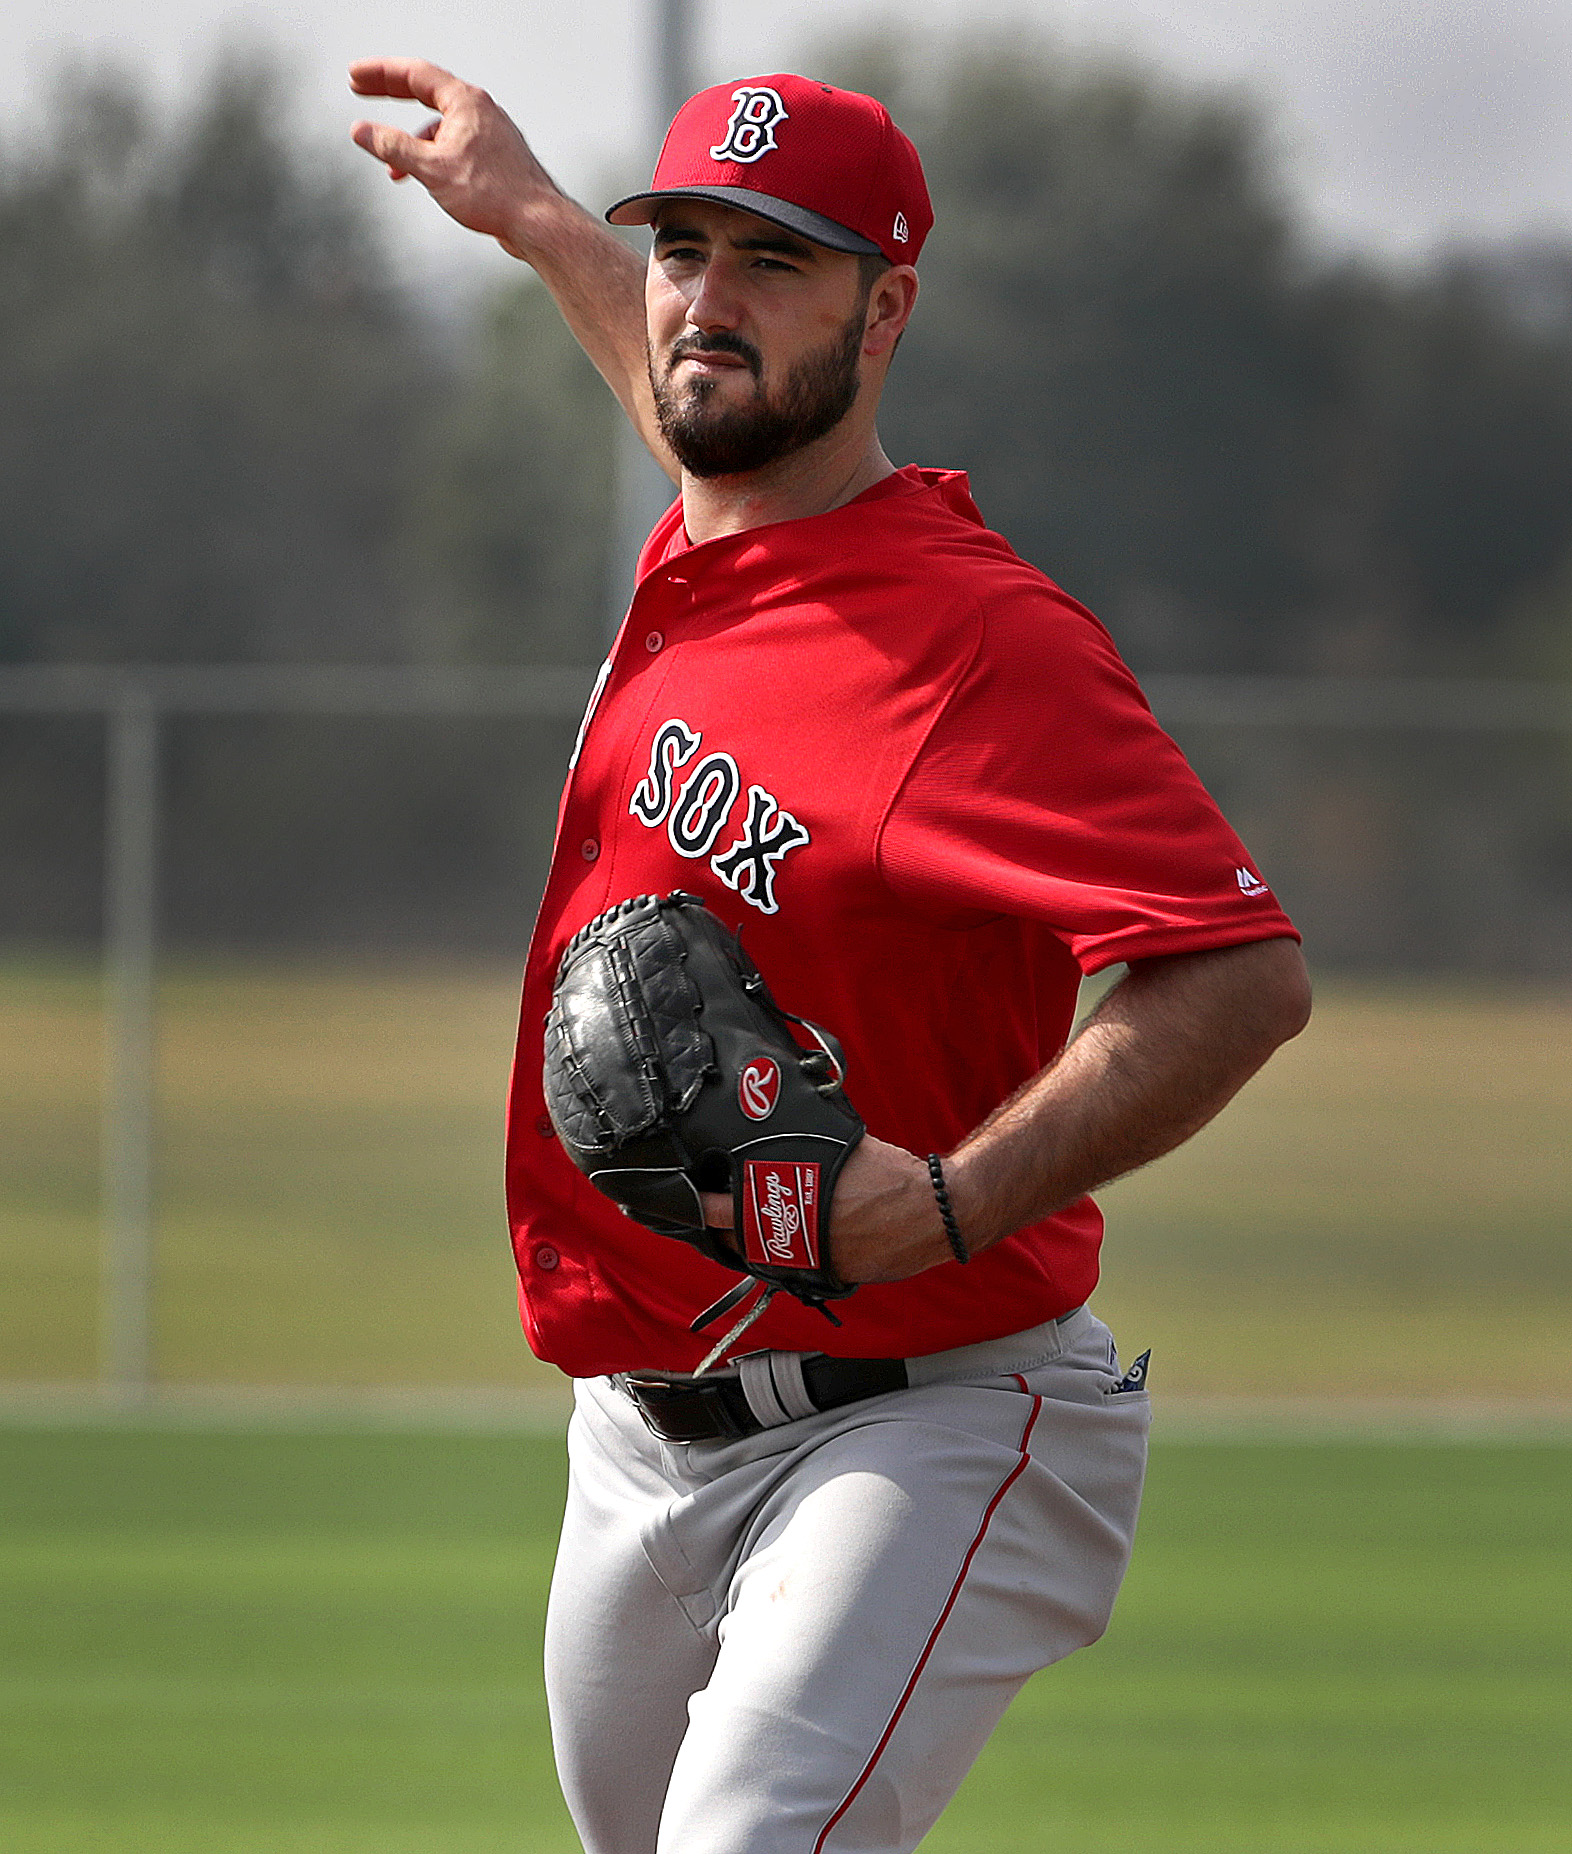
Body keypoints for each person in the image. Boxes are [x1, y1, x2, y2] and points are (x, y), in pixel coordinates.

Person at [350, 60, 1313, 1854]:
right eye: (686, 249)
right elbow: (699, 393)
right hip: (638, 1428)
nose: (709, 300)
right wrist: (544, 215)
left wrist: (946, 1197)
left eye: (777, 261)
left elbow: (1238, 972)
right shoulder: (713, 554)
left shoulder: (981, 648)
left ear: (886, 313)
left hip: (933, 1408)